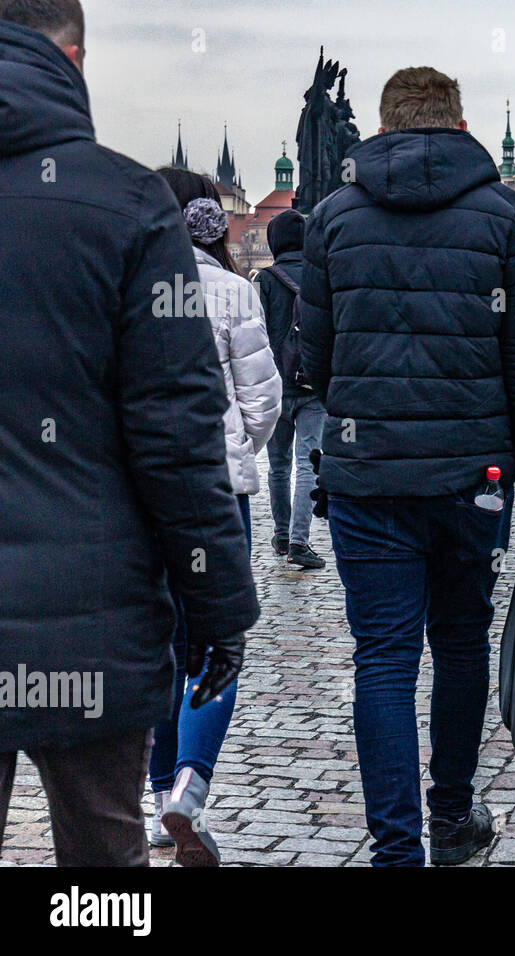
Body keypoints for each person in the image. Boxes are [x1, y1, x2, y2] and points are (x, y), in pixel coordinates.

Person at [0, 0, 258, 867]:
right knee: (104, 867)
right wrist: (219, 604)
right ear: (75, 56)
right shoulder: (129, 201)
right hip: (87, 619)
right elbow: (178, 437)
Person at [298, 66, 515, 867]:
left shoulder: (332, 218)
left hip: (366, 470)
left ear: (380, 127)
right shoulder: (510, 219)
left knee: (381, 658)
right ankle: (451, 815)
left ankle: (396, 851)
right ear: (458, 123)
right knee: (458, 643)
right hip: (470, 480)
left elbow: (316, 356)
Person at [151, 168, 281, 866]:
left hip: (142, 499)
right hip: (219, 493)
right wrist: (235, 447)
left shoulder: (125, 288)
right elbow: (263, 404)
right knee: (216, 640)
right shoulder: (236, 291)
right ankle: (189, 787)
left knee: (157, 648)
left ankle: (151, 801)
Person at [255, 208, 327, 571]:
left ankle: (281, 534)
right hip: (312, 386)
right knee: (308, 464)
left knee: (277, 465)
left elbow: (255, 334)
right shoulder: (321, 279)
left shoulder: (263, 280)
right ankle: (300, 541)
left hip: (274, 386)